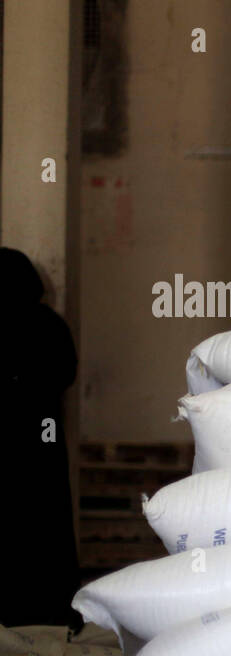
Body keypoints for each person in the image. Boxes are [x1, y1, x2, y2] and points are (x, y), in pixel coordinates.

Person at [1, 249, 81, 628]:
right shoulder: (49, 324)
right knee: (45, 517)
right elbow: (65, 372)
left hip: (18, 437)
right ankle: (48, 606)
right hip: (42, 436)